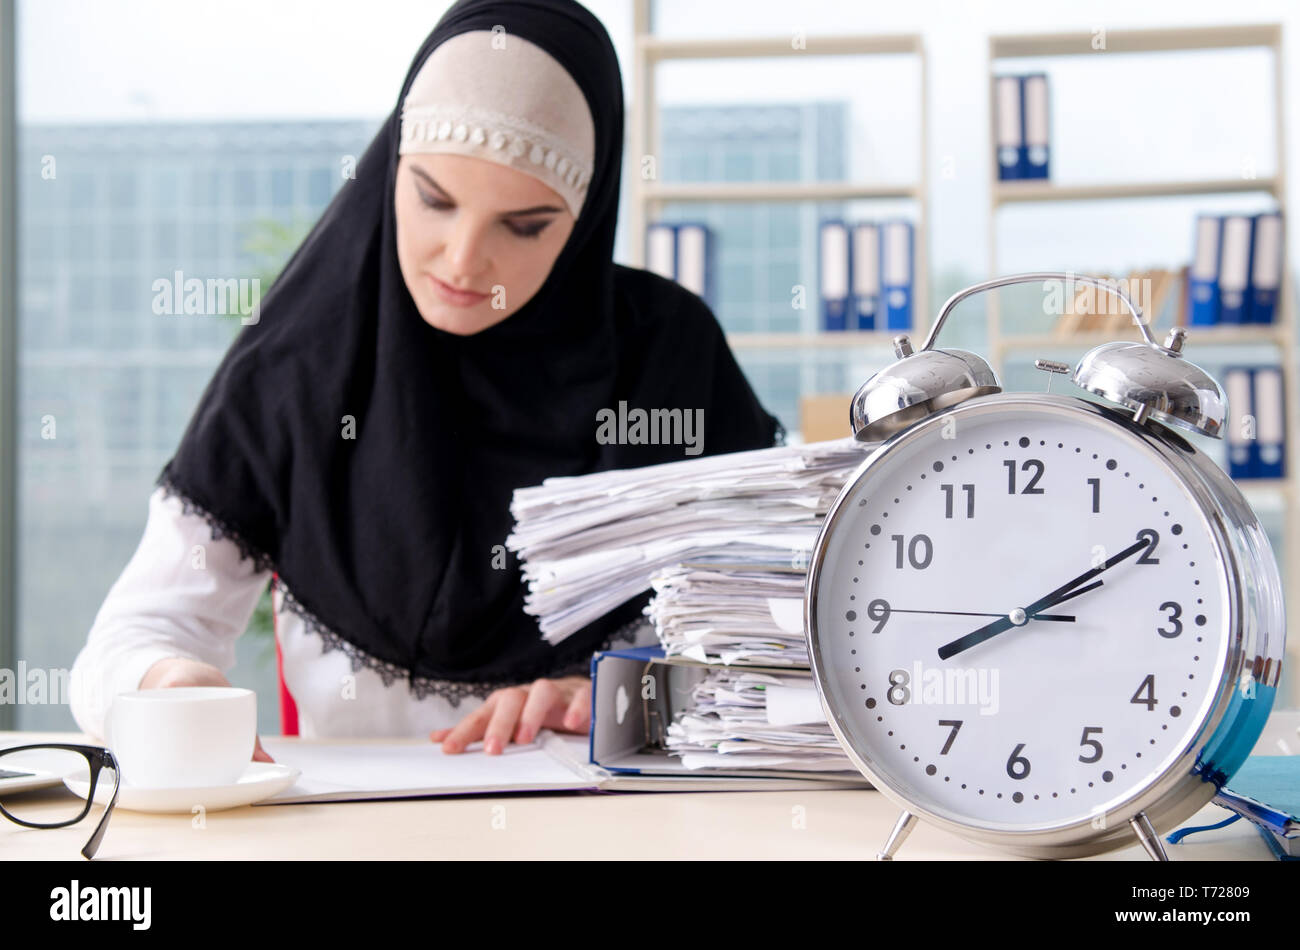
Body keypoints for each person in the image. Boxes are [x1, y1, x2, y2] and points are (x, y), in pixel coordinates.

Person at [69, 0, 784, 762]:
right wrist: (168, 684)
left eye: (526, 225)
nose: (462, 260)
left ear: (584, 216)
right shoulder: (301, 366)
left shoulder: (670, 358)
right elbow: (128, 643)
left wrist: (630, 693)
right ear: (389, 172)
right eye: (434, 200)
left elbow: (788, 657)